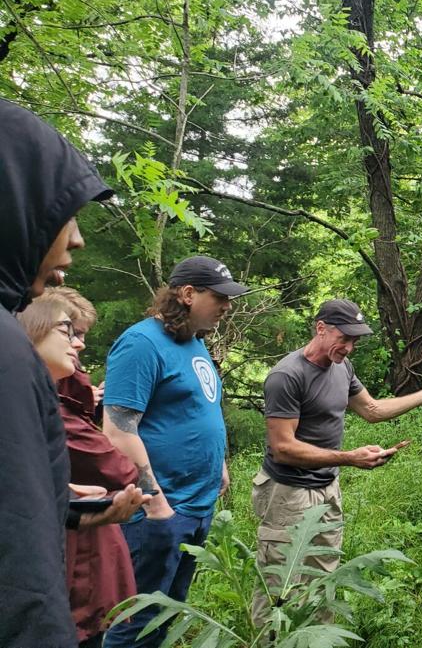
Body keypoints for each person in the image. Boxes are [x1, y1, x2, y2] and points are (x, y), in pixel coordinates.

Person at [0, 99, 149, 647]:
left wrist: (60, 507)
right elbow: (18, 573)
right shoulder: (8, 349)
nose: (79, 238)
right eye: (64, 212)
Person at [251, 298, 422, 622]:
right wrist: (348, 458)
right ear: (320, 329)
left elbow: (371, 410)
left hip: (328, 490)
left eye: (354, 341)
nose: (349, 347)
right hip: (287, 494)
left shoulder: (342, 368)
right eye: (344, 338)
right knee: (280, 584)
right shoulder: (287, 376)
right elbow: (283, 448)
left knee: (323, 581)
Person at [103, 255, 249, 648]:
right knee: (136, 621)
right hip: (159, 512)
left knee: (169, 613)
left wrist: (218, 463)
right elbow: (118, 430)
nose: (227, 306)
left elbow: (199, 408)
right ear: (187, 293)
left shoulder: (194, 344)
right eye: (220, 297)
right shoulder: (141, 343)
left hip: (197, 506)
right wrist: (155, 502)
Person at [39, 288, 140, 648]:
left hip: (84, 549)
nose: (79, 345)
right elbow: (109, 465)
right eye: (69, 333)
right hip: (69, 560)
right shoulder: (48, 403)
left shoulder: (63, 395)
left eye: (80, 334)